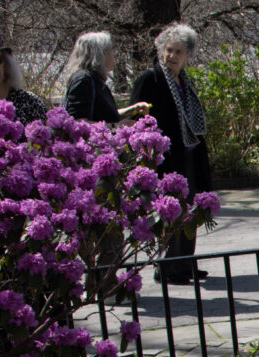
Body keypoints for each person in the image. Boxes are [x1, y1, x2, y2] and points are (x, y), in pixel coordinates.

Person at [131, 23, 213, 286]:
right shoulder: (151, 79)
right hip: (164, 156)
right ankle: (166, 266)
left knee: (190, 208)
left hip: (188, 152)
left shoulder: (184, 81)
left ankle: (184, 263)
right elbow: (135, 118)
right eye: (168, 50)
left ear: (187, 55)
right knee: (170, 211)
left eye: (178, 52)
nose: (172, 56)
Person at [62, 32, 149, 124]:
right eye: (110, 50)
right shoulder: (84, 80)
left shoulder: (97, 81)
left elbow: (106, 116)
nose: (114, 54)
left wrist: (131, 110)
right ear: (100, 54)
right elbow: (77, 122)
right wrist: (116, 126)